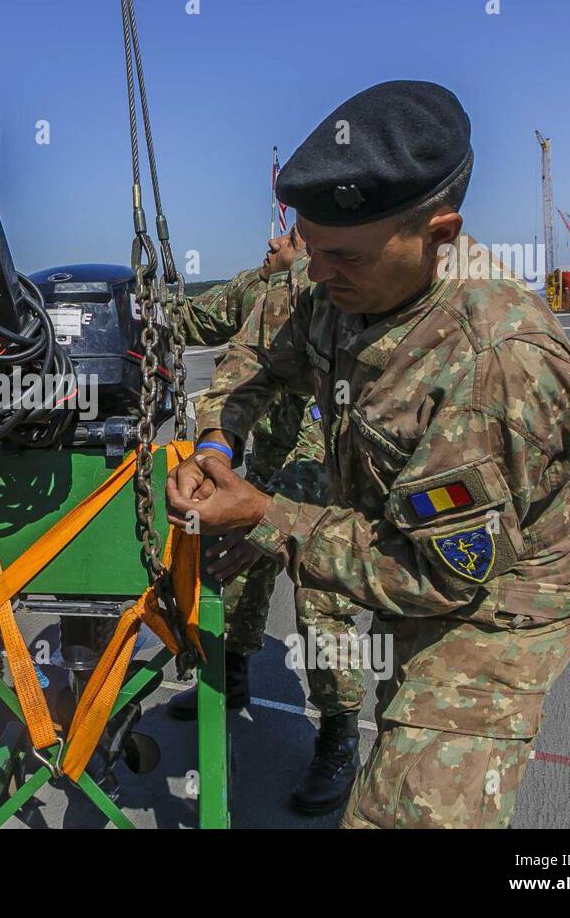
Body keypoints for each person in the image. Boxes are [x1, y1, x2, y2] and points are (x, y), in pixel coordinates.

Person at [170, 80, 570, 828]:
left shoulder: (495, 366)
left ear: (439, 234)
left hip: (491, 609)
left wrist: (265, 517)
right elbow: (257, 350)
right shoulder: (340, 280)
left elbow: (438, 576)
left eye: (342, 256)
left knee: (403, 812)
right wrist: (219, 441)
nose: (316, 273)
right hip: (396, 540)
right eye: (309, 249)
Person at [174, 229, 366, 813]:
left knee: (320, 600)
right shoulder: (261, 291)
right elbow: (197, 323)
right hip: (263, 475)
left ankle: (338, 732)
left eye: (291, 235)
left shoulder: (339, 301)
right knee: (230, 571)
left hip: (328, 488)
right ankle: (230, 676)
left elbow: (321, 451)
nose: (273, 240)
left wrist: (263, 515)